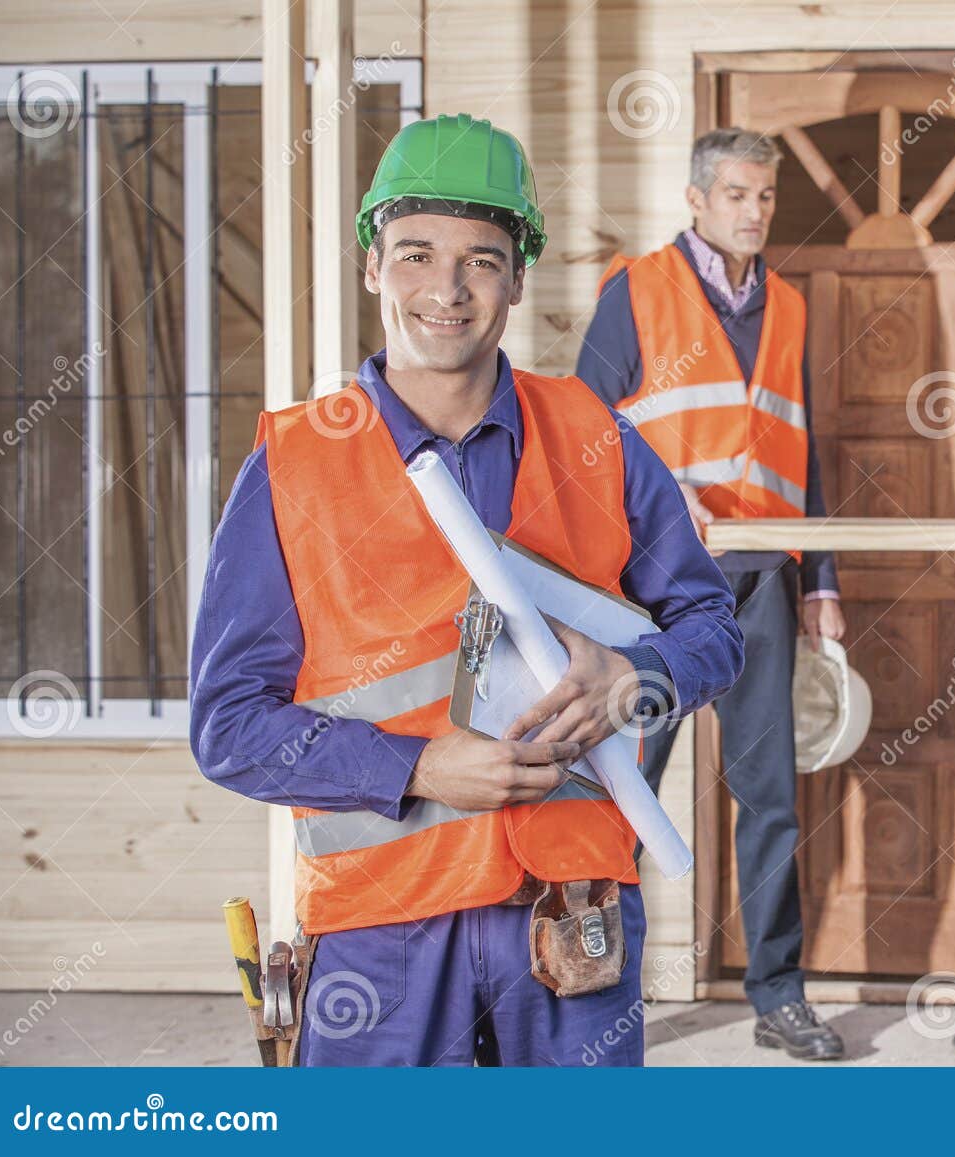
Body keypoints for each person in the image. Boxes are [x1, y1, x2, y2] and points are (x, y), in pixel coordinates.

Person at [189, 114, 744, 1067]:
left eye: (481, 261)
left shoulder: (593, 435)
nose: (446, 290)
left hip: (571, 915)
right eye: (415, 255)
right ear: (373, 266)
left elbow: (713, 631)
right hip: (382, 929)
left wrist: (637, 676)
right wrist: (413, 769)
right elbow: (229, 727)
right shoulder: (295, 463)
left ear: (519, 277)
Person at [575, 127, 846, 1061]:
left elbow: (805, 444)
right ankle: (598, 989)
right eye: (736, 194)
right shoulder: (635, 291)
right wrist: (661, 492)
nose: (753, 211)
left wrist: (823, 582)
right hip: (658, 586)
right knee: (629, 787)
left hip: (767, 577)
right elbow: (584, 426)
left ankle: (779, 995)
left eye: (765, 196)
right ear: (696, 200)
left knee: (768, 791)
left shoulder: (793, 307)